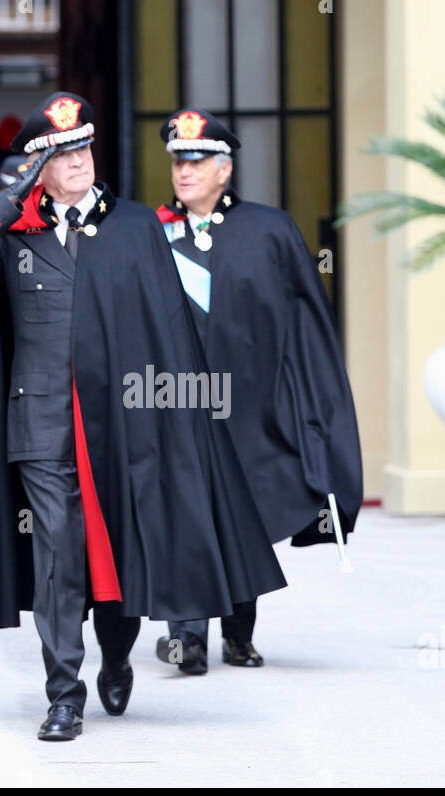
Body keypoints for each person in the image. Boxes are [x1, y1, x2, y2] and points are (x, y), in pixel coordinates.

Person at [0, 92, 287, 740]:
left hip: (124, 423)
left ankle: (117, 655)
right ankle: (63, 695)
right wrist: (12, 197)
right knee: (57, 556)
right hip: (41, 424)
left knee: (118, 555)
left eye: (83, 148)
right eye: (61, 153)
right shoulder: (14, 231)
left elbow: (167, 329)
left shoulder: (133, 226)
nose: (77, 161)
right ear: (38, 164)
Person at [150, 108, 362, 674]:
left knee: (245, 520)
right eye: (178, 162)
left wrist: (308, 402)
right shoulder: (153, 233)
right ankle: (187, 637)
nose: (184, 172)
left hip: (251, 408)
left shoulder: (270, 229)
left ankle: (238, 634)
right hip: (176, 404)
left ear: (224, 169)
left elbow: (304, 322)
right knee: (185, 516)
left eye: (197, 162)